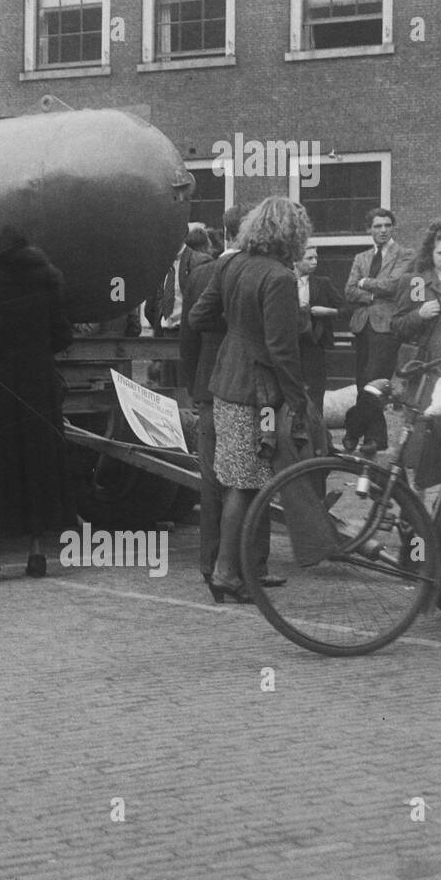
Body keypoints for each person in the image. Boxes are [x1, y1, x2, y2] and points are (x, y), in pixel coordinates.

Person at [188, 196, 314, 603]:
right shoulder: (279, 277)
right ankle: (227, 572)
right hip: (259, 393)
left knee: (240, 479)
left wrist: (238, 330)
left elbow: (197, 317)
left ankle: (237, 569)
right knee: (245, 483)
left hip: (225, 381)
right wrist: (298, 401)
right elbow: (282, 349)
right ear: (292, 235)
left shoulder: (229, 263)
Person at [0, 226, 74, 582]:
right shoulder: (48, 283)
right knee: (38, 465)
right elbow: (63, 335)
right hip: (40, 387)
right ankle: (37, 552)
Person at [180, 205, 271, 586]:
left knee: (214, 478)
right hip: (249, 386)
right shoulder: (263, 273)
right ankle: (254, 566)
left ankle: (211, 562)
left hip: (208, 384)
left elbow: (189, 334)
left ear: (225, 232)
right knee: (255, 472)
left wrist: (192, 383)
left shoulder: (203, 273)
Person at [343, 208, 412, 454]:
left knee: (375, 379)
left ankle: (352, 429)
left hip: (387, 327)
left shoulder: (405, 254)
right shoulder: (361, 257)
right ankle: (375, 439)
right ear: (369, 230)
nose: (382, 230)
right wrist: (372, 291)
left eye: (386, 225)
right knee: (363, 382)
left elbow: (394, 286)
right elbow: (349, 291)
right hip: (362, 326)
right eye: (377, 226)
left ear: (392, 227)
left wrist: (364, 283)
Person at [391, 218, 441, 369]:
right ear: (431, 253)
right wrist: (419, 315)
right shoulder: (417, 283)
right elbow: (397, 328)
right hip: (429, 370)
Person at [295, 245, 345, 413]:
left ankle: (316, 432)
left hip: (314, 345)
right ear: (296, 260)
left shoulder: (323, 283)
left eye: (316, 258)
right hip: (290, 345)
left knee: (316, 392)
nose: (315, 262)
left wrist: (328, 311)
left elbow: (346, 309)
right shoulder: (284, 281)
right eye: (309, 258)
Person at [145, 224, 210, 336]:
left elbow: (206, 304)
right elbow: (150, 307)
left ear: (182, 234)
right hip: (163, 334)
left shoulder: (200, 262)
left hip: (188, 334)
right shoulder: (159, 264)